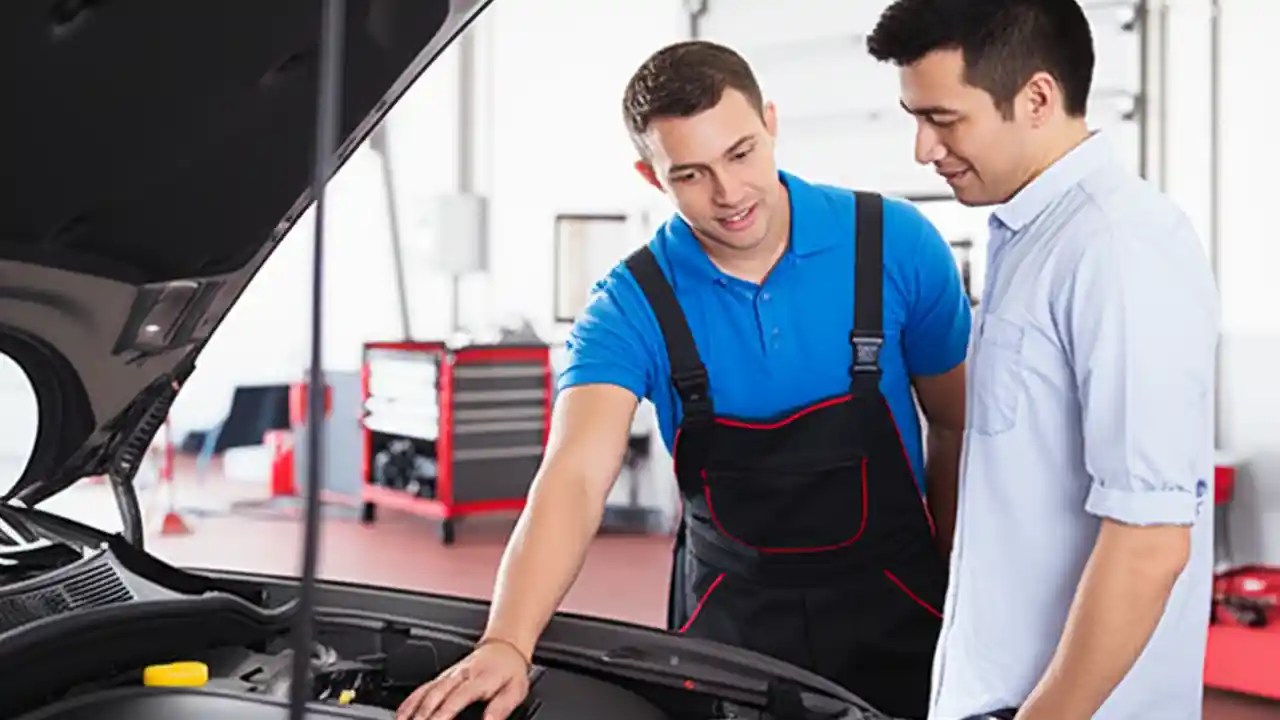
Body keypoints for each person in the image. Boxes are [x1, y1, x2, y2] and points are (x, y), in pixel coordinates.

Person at [397, 39, 971, 720]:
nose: (730, 195)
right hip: (731, 630)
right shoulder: (630, 302)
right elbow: (575, 474)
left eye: (741, 153)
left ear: (772, 124)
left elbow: (956, 422)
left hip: (900, 605)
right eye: (691, 174)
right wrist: (508, 641)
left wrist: (961, 580)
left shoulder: (895, 243)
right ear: (650, 175)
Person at [865, 1, 1220, 719]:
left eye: (942, 118)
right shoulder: (1030, 235)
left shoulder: (1118, 247)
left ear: (1035, 99)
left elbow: (1150, 542)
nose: (922, 150)